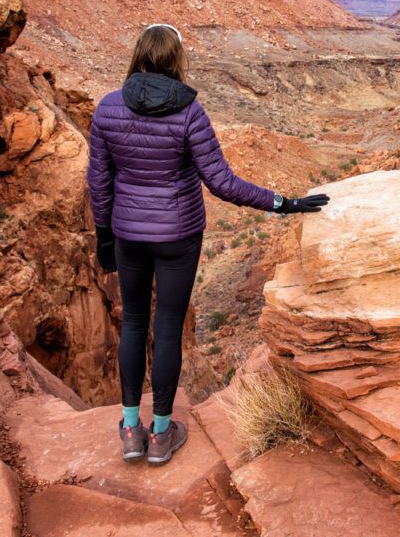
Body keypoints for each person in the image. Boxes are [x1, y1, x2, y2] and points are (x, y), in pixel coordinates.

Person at [87, 23, 328, 465]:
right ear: (176, 59)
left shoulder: (108, 109)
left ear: (138, 55)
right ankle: (161, 433)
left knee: (135, 323)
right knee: (167, 327)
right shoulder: (189, 111)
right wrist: (283, 203)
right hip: (178, 235)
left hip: (128, 234)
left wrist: (104, 235)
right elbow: (221, 182)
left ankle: (129, 429)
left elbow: (99, 183)